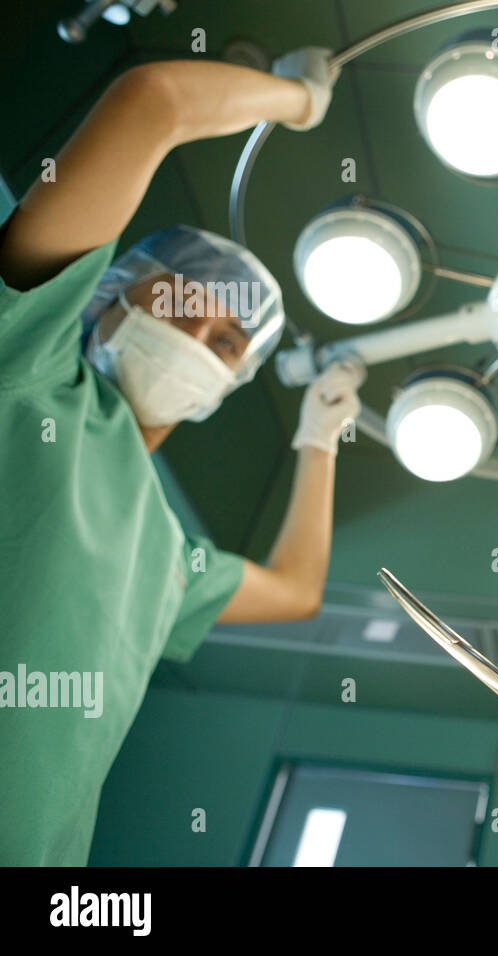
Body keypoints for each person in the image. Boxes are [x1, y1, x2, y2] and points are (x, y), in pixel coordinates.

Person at [0, 50, 358, 865]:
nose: (197, 339)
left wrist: (318, 438)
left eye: (226, 339)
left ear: (234, 378)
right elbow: (152, 100)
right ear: (108, 293)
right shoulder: (24, 371)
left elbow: (298, 590)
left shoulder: (167, 558)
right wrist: (300, 98)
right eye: (175, 301)